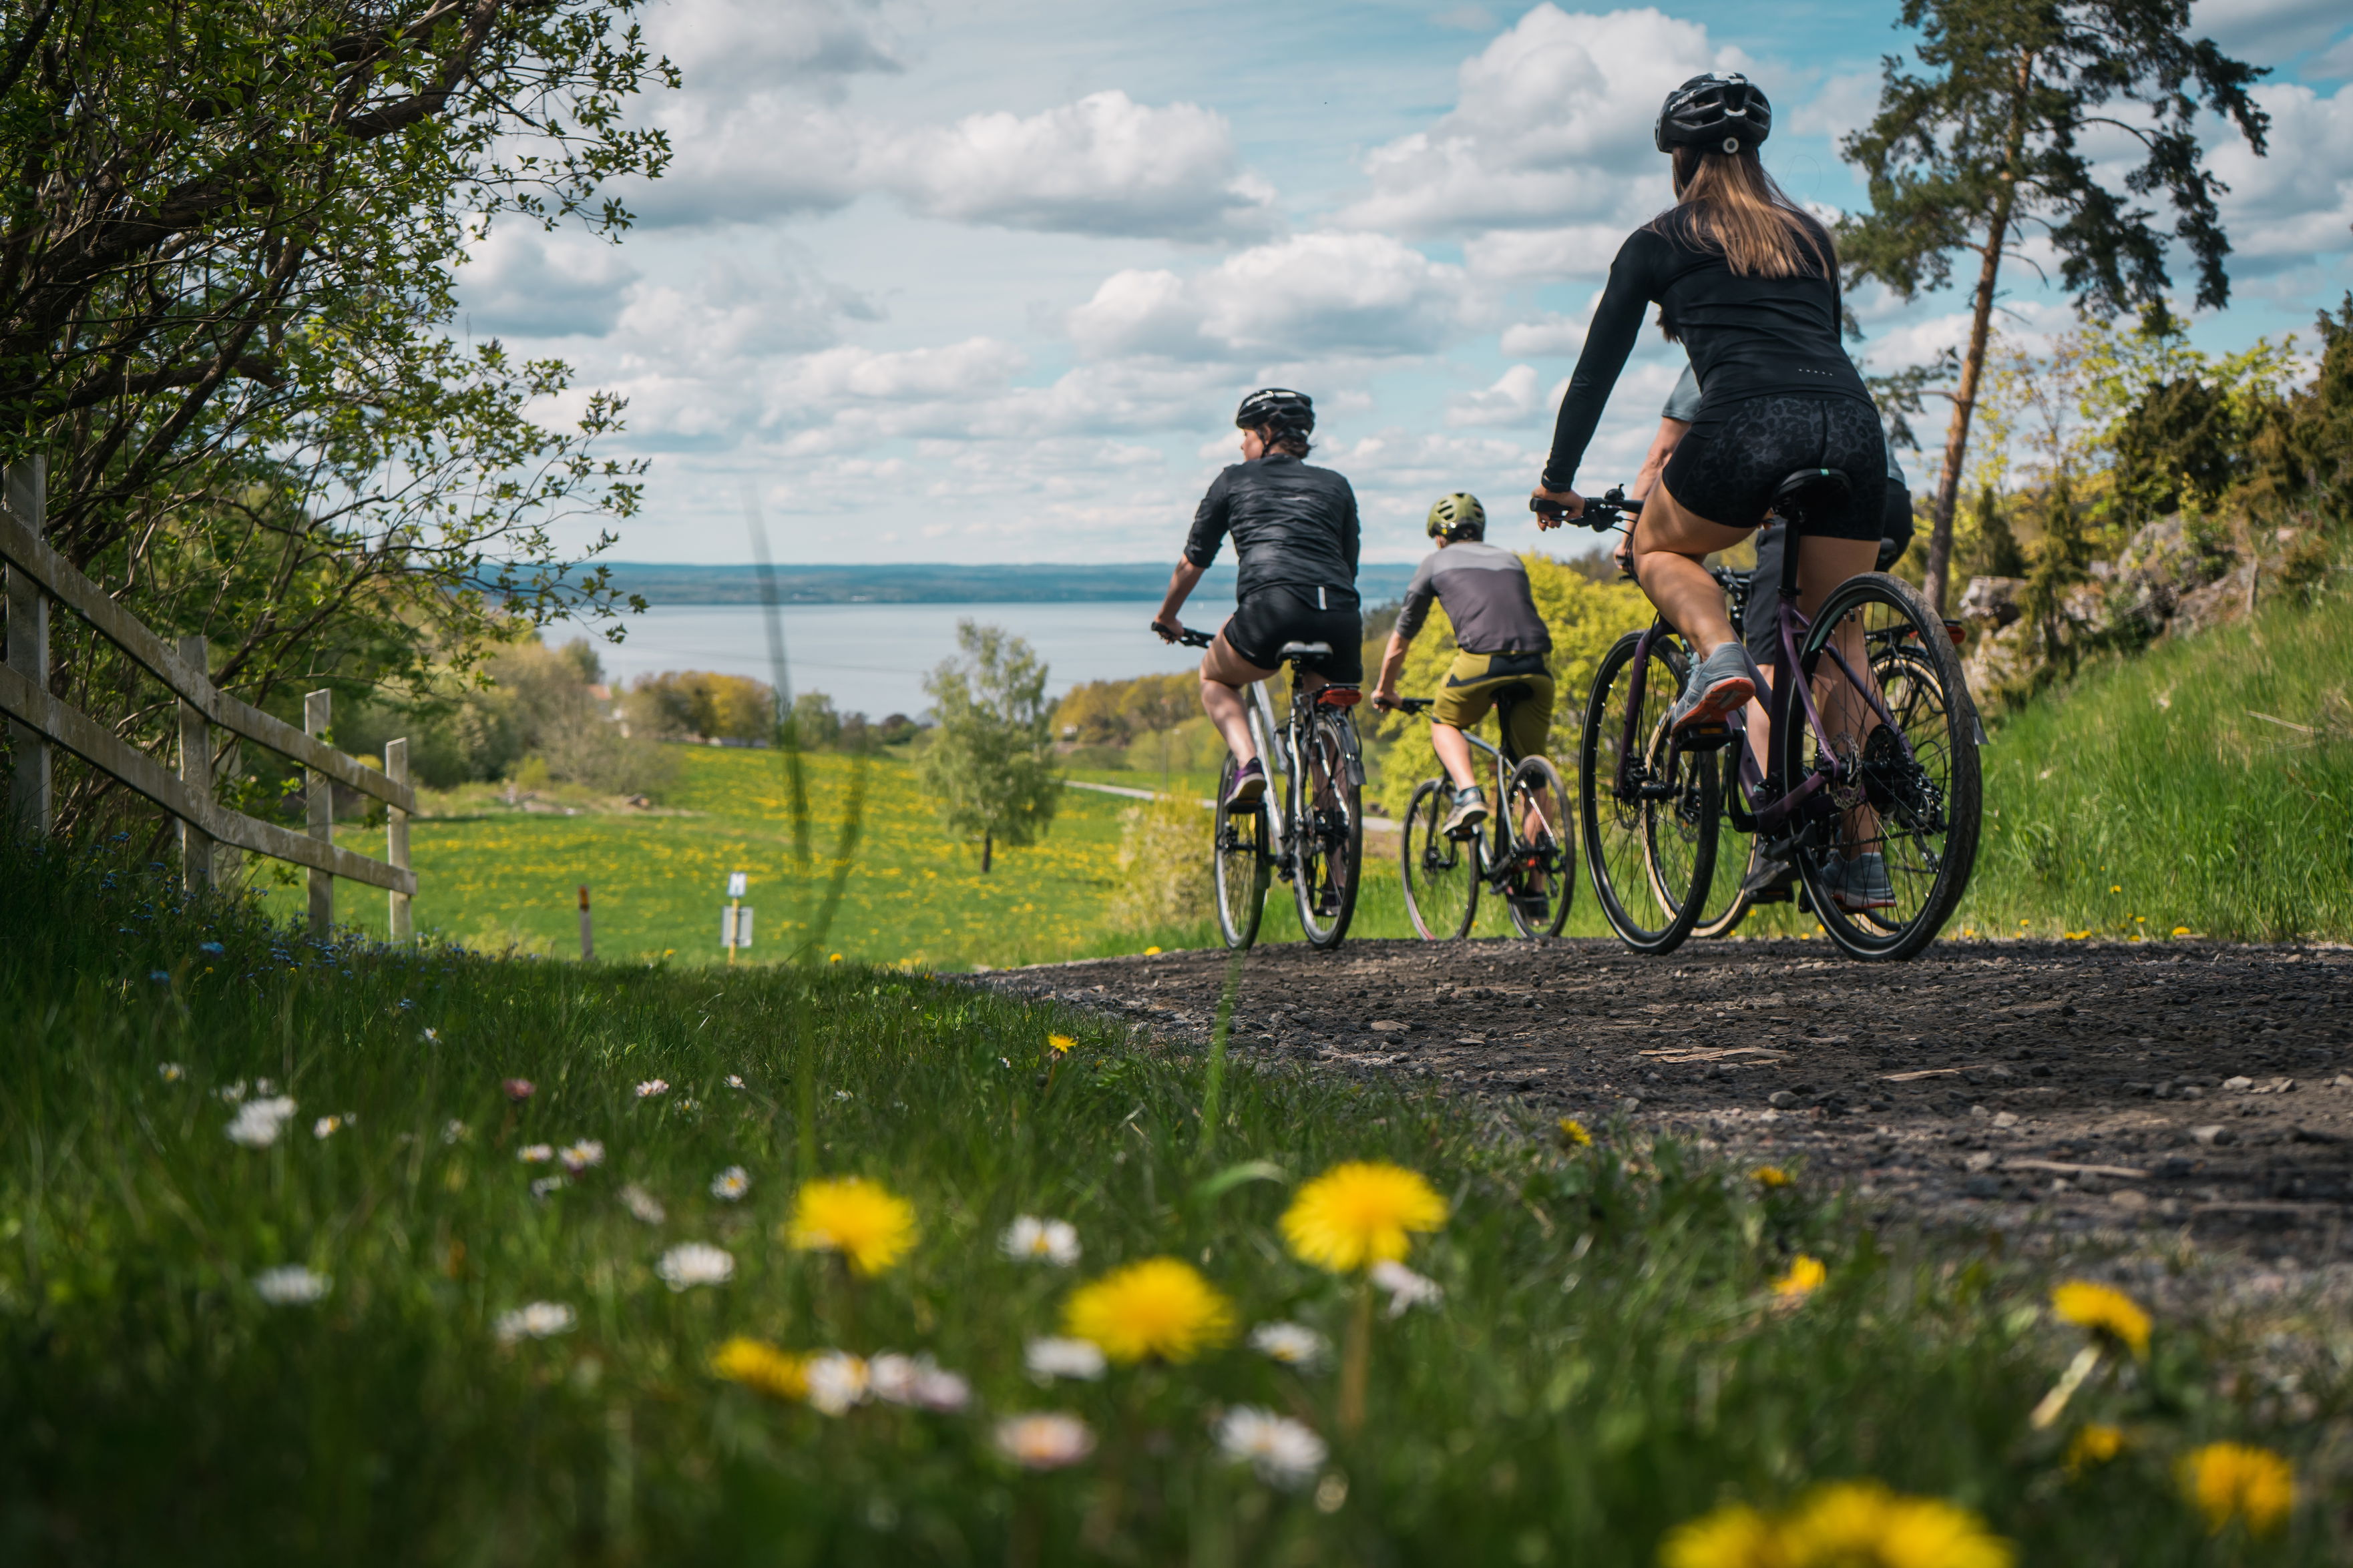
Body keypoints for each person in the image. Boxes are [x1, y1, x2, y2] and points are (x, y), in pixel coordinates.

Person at [1529, 71, 1894, 912]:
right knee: (1840, 641)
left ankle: (1718, 656)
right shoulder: (1808, 236)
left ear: (1678, 156)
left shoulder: (1656, 240)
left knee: (1659, 545)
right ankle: (1864, 860)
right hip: (1850, 425)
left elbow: (1594, 374)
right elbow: (1820, 344)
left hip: (1744, 423)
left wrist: (1557, 480)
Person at [1152, 388, 1362, 810]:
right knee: (1325, 712)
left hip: (1271, 610)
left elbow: (1193, 563)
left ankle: (1250, 766)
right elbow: (1347, 562)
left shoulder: (1232, 479)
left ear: (1266, 434)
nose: (1242, 445)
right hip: (1340, 615)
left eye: (1246, 435)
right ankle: (1334, 846)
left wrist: (1168, 617)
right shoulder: (1337, 484)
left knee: (1215, 679)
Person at [1369, 493, 1555, 849]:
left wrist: (1386, 690)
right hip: (1536, 668)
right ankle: (1534, 892)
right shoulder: (1511, 560)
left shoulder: (1435, 561)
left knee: (1444, 722)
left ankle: (1469, 794)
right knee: (1534, 776)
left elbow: (1400, 640)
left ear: (1440, 535)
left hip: (1482, 661)